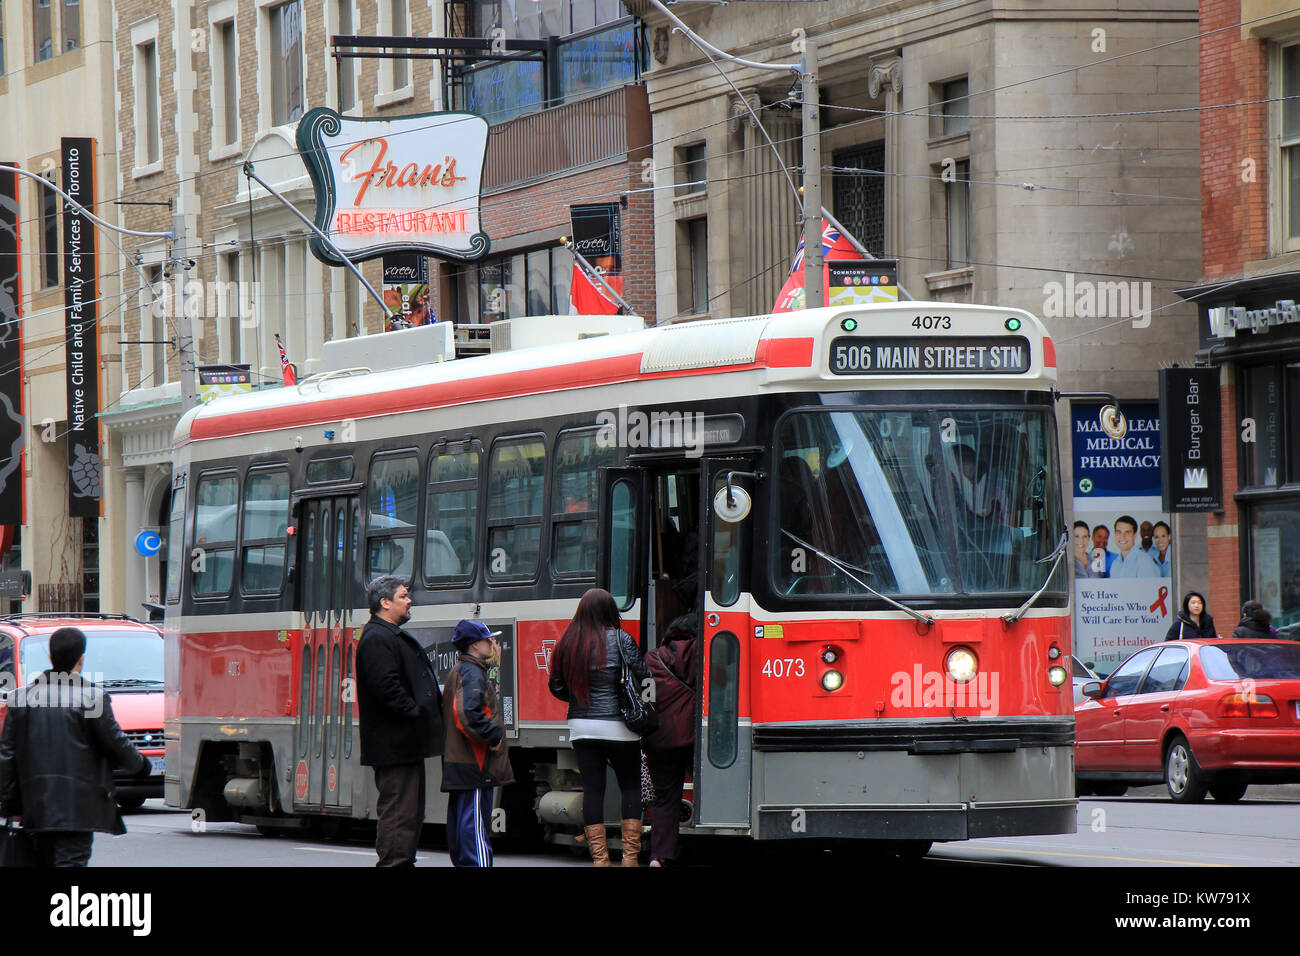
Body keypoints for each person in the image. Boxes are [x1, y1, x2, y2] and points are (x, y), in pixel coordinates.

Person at [0, 627, 149, 866]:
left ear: (50, 658)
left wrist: (10, 805)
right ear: (81, 659)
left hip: (35, 806)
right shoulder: (92, 698)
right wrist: (140, 766)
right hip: (78, 808)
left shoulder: (21, 699)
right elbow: (115, 743)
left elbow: (7, 756)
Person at [548, 588, 648, 866]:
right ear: (610, 612)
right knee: (630, 786)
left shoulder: (568, 642)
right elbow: (642, 674)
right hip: (618, 725)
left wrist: (582, 699)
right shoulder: (621, 638)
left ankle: (600, 860)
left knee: (593, 789)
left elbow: (556, 686)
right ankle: (629, 858)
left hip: (581, 725)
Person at [356, 575, 444, 867]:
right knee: (400, 812)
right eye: (404, 596)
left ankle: (400, 861)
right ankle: (394, 863)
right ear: (385, 602)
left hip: (403, 743)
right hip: (395, 743)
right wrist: (414, 712)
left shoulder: (384, 634)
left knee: (409, 812)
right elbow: (386, 687)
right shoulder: (378, 637)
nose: (409, 601)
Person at [441, 620, 513, 868]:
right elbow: (468, 714)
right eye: (488, 639)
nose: (492, 643)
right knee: (475, 829)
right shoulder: (473, 673)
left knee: (462, 826)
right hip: (476, 762)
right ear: (474, 645)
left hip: (461, 762)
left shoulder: (460, 670)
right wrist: (494, 734)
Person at [641, 613, 698, 868]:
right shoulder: (704, 652)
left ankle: (659, 856)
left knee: (666, 800)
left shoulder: (652, 658)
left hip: (660, 741)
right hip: (695, 739)